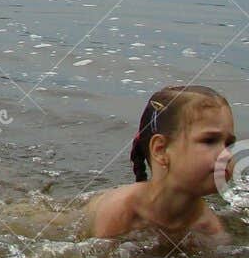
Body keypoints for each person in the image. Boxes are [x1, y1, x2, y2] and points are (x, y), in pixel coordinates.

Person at [81, 85, 235, 242]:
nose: (226, 154)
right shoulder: (119, 211)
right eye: (209, 141)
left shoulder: (210, 228)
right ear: (161, 150)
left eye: (228, 144)